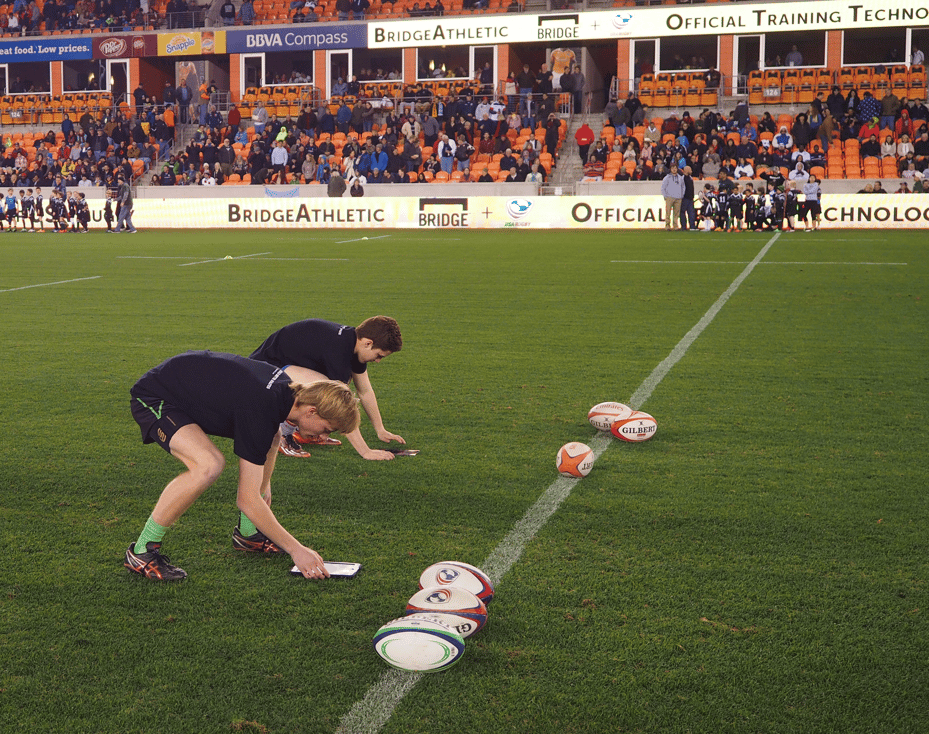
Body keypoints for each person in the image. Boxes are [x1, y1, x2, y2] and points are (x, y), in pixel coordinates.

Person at [125, 351, 360, 581]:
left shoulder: (284, 394)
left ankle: (249, 535)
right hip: (156, 396)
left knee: (273, 435)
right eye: (327, 429)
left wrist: (262, 492)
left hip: (187, 388)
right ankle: (142, 552)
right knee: (209, 464)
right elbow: (246, 499)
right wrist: (297, 549)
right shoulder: (262, 406)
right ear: (311, 411)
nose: (322, 437)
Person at [249, 317, 404, 461]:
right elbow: (340, 405)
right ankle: (283, 434)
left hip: (276, 371)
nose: (377, 361)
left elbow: (365, 391)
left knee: (330, 388)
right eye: (379, 355)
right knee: (326, 389)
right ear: (368, 343)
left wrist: (380, 429)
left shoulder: (352, 343)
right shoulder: (339, 350)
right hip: (259, 375)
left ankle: (309, 431)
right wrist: (365, 451)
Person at [680, 166, 696, 231]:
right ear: (686, 170)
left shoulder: (690, 178)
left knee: (691, 213)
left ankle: (692, 226)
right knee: (683, 212)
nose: (691, 171)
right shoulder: (682, 178)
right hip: (684, 198)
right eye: (690, 169)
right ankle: (684, 226)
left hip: (690, 198)